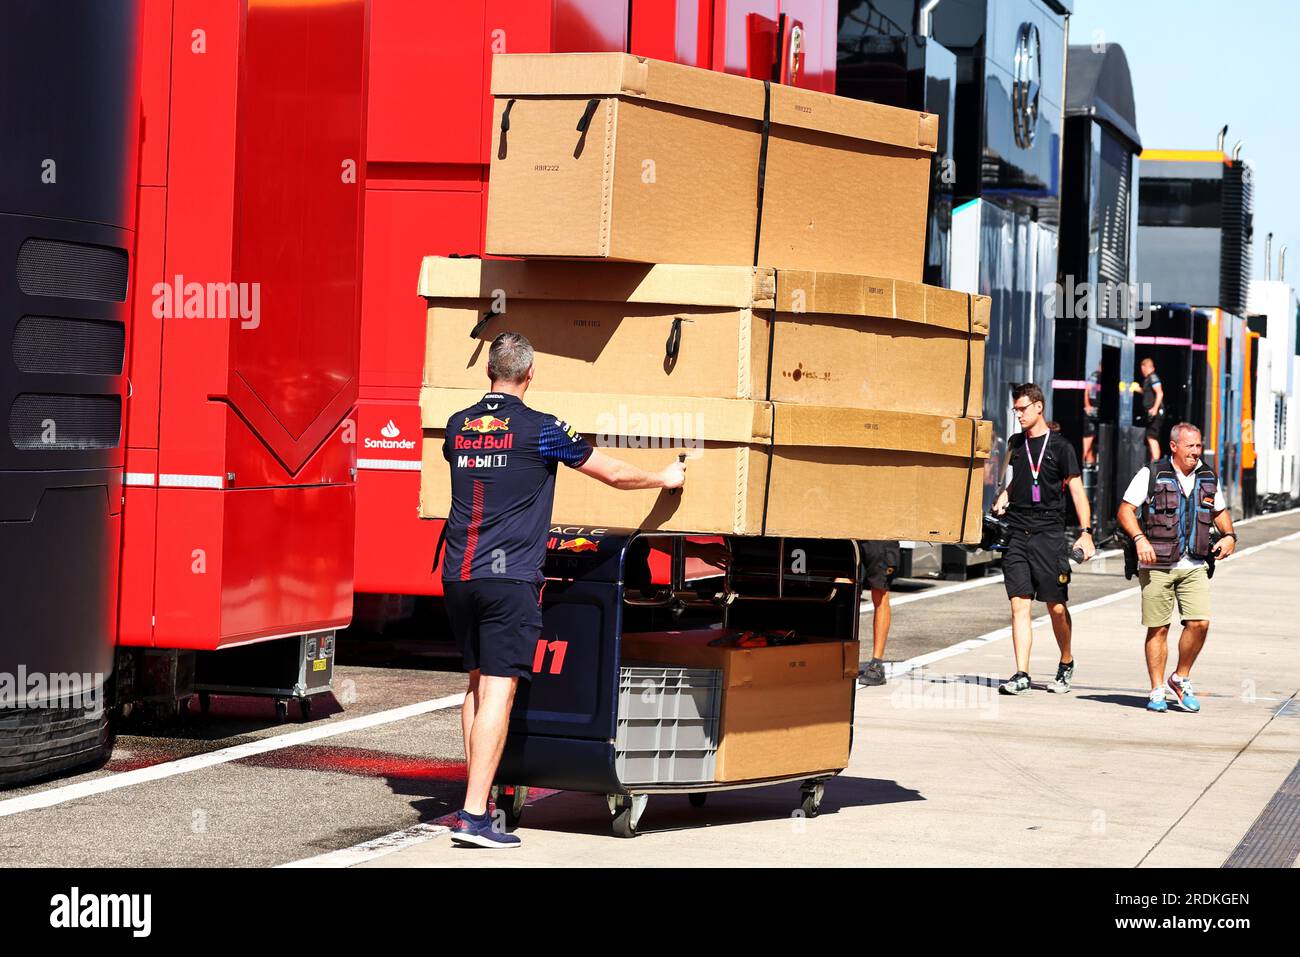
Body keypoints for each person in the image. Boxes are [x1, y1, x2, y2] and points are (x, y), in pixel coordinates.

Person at [441, 332, 687, 848]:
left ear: (489, 371)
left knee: (475, 684)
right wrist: (663, 477)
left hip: (458, 574)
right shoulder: (543, 429)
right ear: (530, 375)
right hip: (508, 580)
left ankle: (477, 799)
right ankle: (472, 813)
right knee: (499, 692)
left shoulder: (458, 425)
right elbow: (613, 474)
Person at [1116, 422, 1236, 714]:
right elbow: (1125, 510)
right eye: (1190, 446)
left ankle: (1180, 677)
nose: (1196, 452)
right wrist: (1139, 538)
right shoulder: (1152, 473)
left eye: (1198, 446)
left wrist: (1230, 536)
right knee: (1158, 629)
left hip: (1193, 563)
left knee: (1200, 623)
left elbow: (1219, 512)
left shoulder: (1207, 476)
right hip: (1157, 563)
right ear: (1174, 446)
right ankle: (1157, 689)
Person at [992, 384, 1096, 696]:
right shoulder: (1016, 444)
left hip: (1049, 534)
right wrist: (1004, 496)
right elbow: (1020, 480)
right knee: (1018, 605)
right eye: (1016, 410)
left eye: (1022, 408)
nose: (1018, 414)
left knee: (1056, 607)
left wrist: (1086, 532)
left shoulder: (1061, 447)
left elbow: (1077, 491)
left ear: (1039, 407)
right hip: (1017, 533)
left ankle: (1066, 661)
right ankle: (1022, 673)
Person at [858, 540, 900, 686]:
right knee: (843, 586)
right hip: (849, 529)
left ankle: (877, 663)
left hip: (880, 536)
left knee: (880, 592)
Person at [1139, 357, 1165, 462]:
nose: (1142, 371)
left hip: (1156, 413)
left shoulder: (1153, 377)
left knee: (1151, 437)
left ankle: (1155, 463)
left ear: (1145, 367)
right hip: (1151, 413)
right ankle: (1153, 461)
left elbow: (1160, 392)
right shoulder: (1147, 379)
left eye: (1142, 369)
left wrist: (1154, 409)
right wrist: (1139, 390)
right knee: (1150, 437)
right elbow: (1148, 393)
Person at [1082, 363, 1101, 465]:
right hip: (1091, 413)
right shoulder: (1095, 375)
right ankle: (1082, 462)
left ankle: (1090, 464)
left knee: (1094, 441)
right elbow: (1087, 389)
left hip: (1099, 414)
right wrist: (1087, 405)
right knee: (1089, 438)